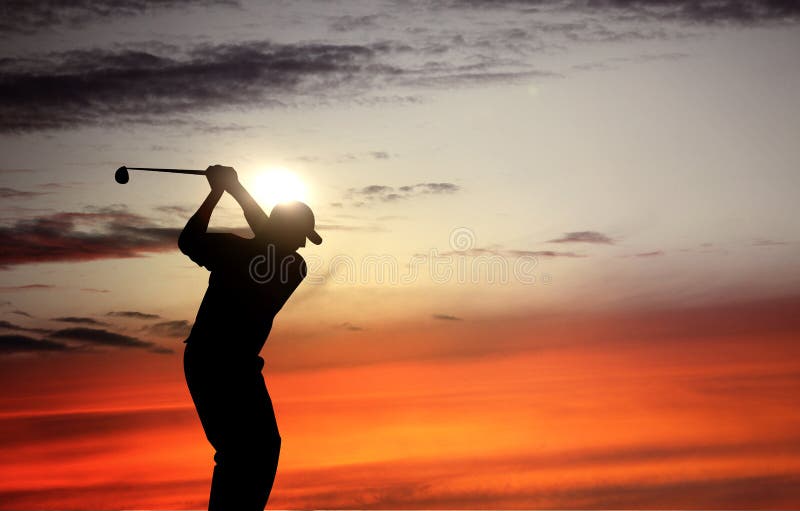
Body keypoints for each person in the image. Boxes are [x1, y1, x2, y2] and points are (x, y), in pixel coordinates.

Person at [179, 165, 322, 511]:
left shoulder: (243, 254)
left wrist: (223, 190)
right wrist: (231, 189)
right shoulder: (289, 266)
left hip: (214, 362)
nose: (304, 243)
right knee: (248, 450)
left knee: (252, 449)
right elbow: (267, 236)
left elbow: (191, 240)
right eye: (301, 235)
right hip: (219, 365)